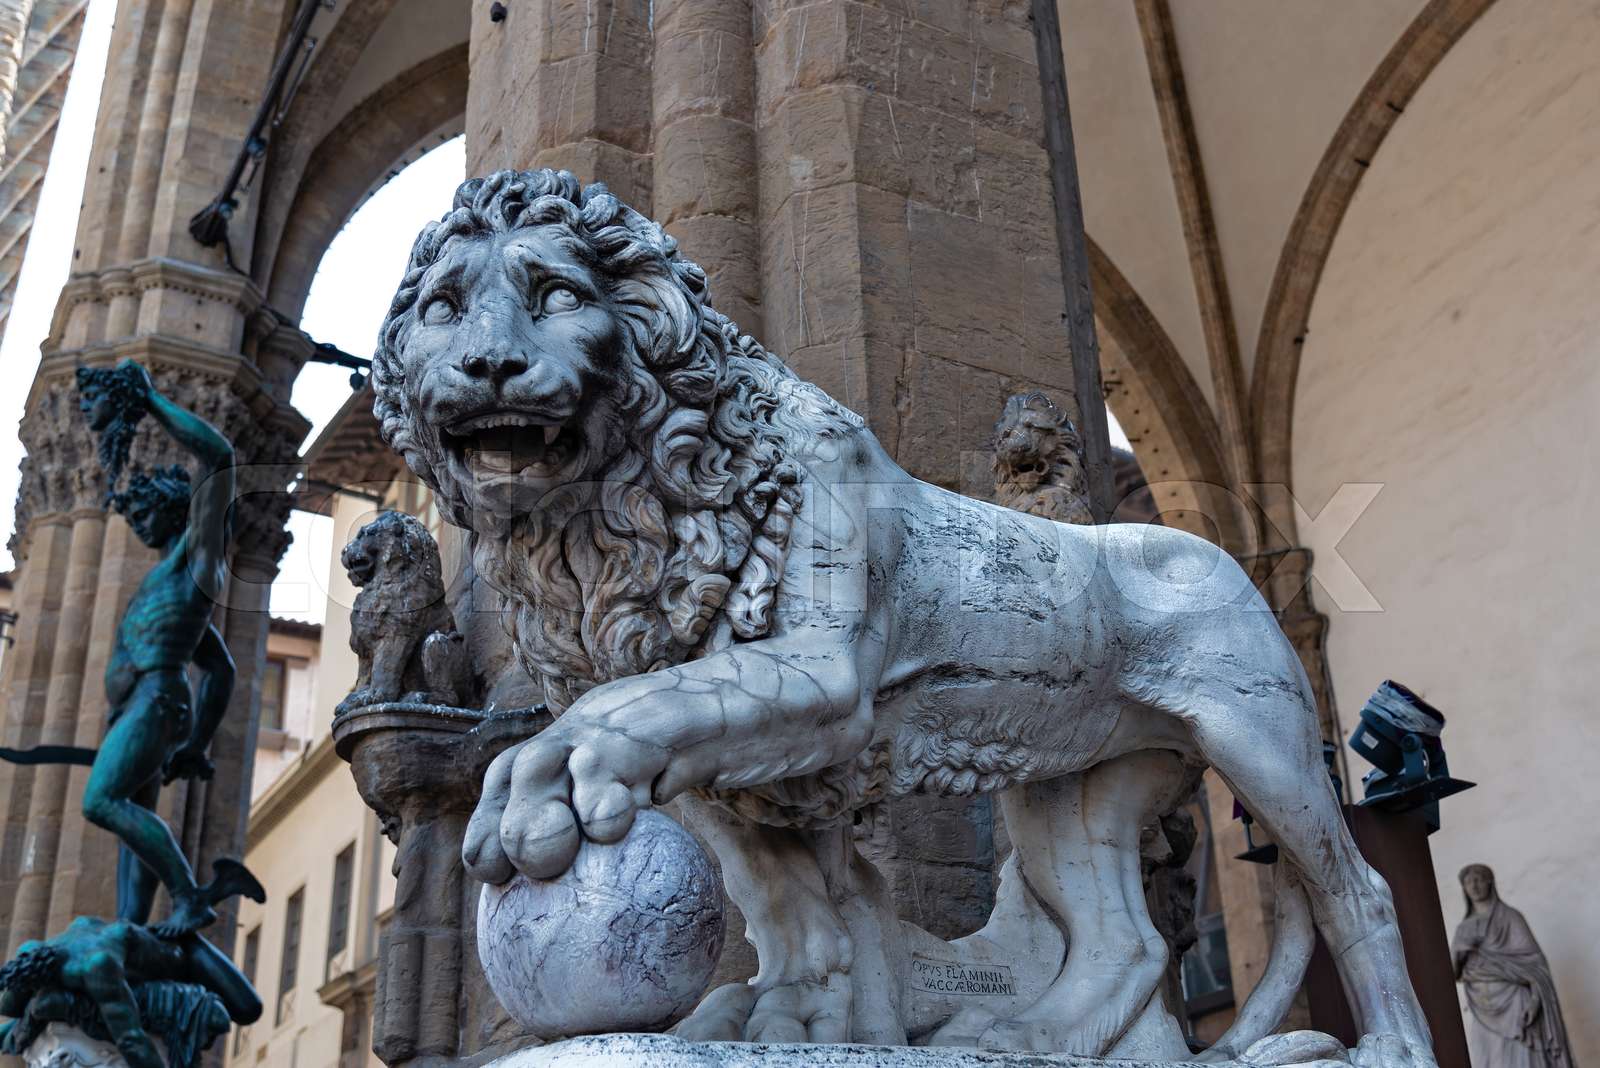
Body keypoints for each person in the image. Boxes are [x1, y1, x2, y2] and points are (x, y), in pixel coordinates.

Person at [77, 359, 239, 936]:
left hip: (155, 698)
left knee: (100, 802)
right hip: (146, 705)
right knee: (135, 815)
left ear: (176, 508)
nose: (139, 523)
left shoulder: (197, 562)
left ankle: (189, 898)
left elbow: (219, 458)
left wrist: (149, 402)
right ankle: (132, 925)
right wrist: (195, 742)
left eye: (146, 511)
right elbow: (220, 671)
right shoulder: (164, 584)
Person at [1452, 863, 1577, 1068]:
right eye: (1468, 882)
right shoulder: (1463, 929)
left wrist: (1536, 1000)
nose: (1473, 885)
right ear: (1464, 889)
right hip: (1481, 1010)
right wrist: (1459, 950)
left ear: (1490, 882)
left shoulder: (1509, 917)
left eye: (1479, 879)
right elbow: (1453, 974)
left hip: (1517, 1005)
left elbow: (1536, 965)